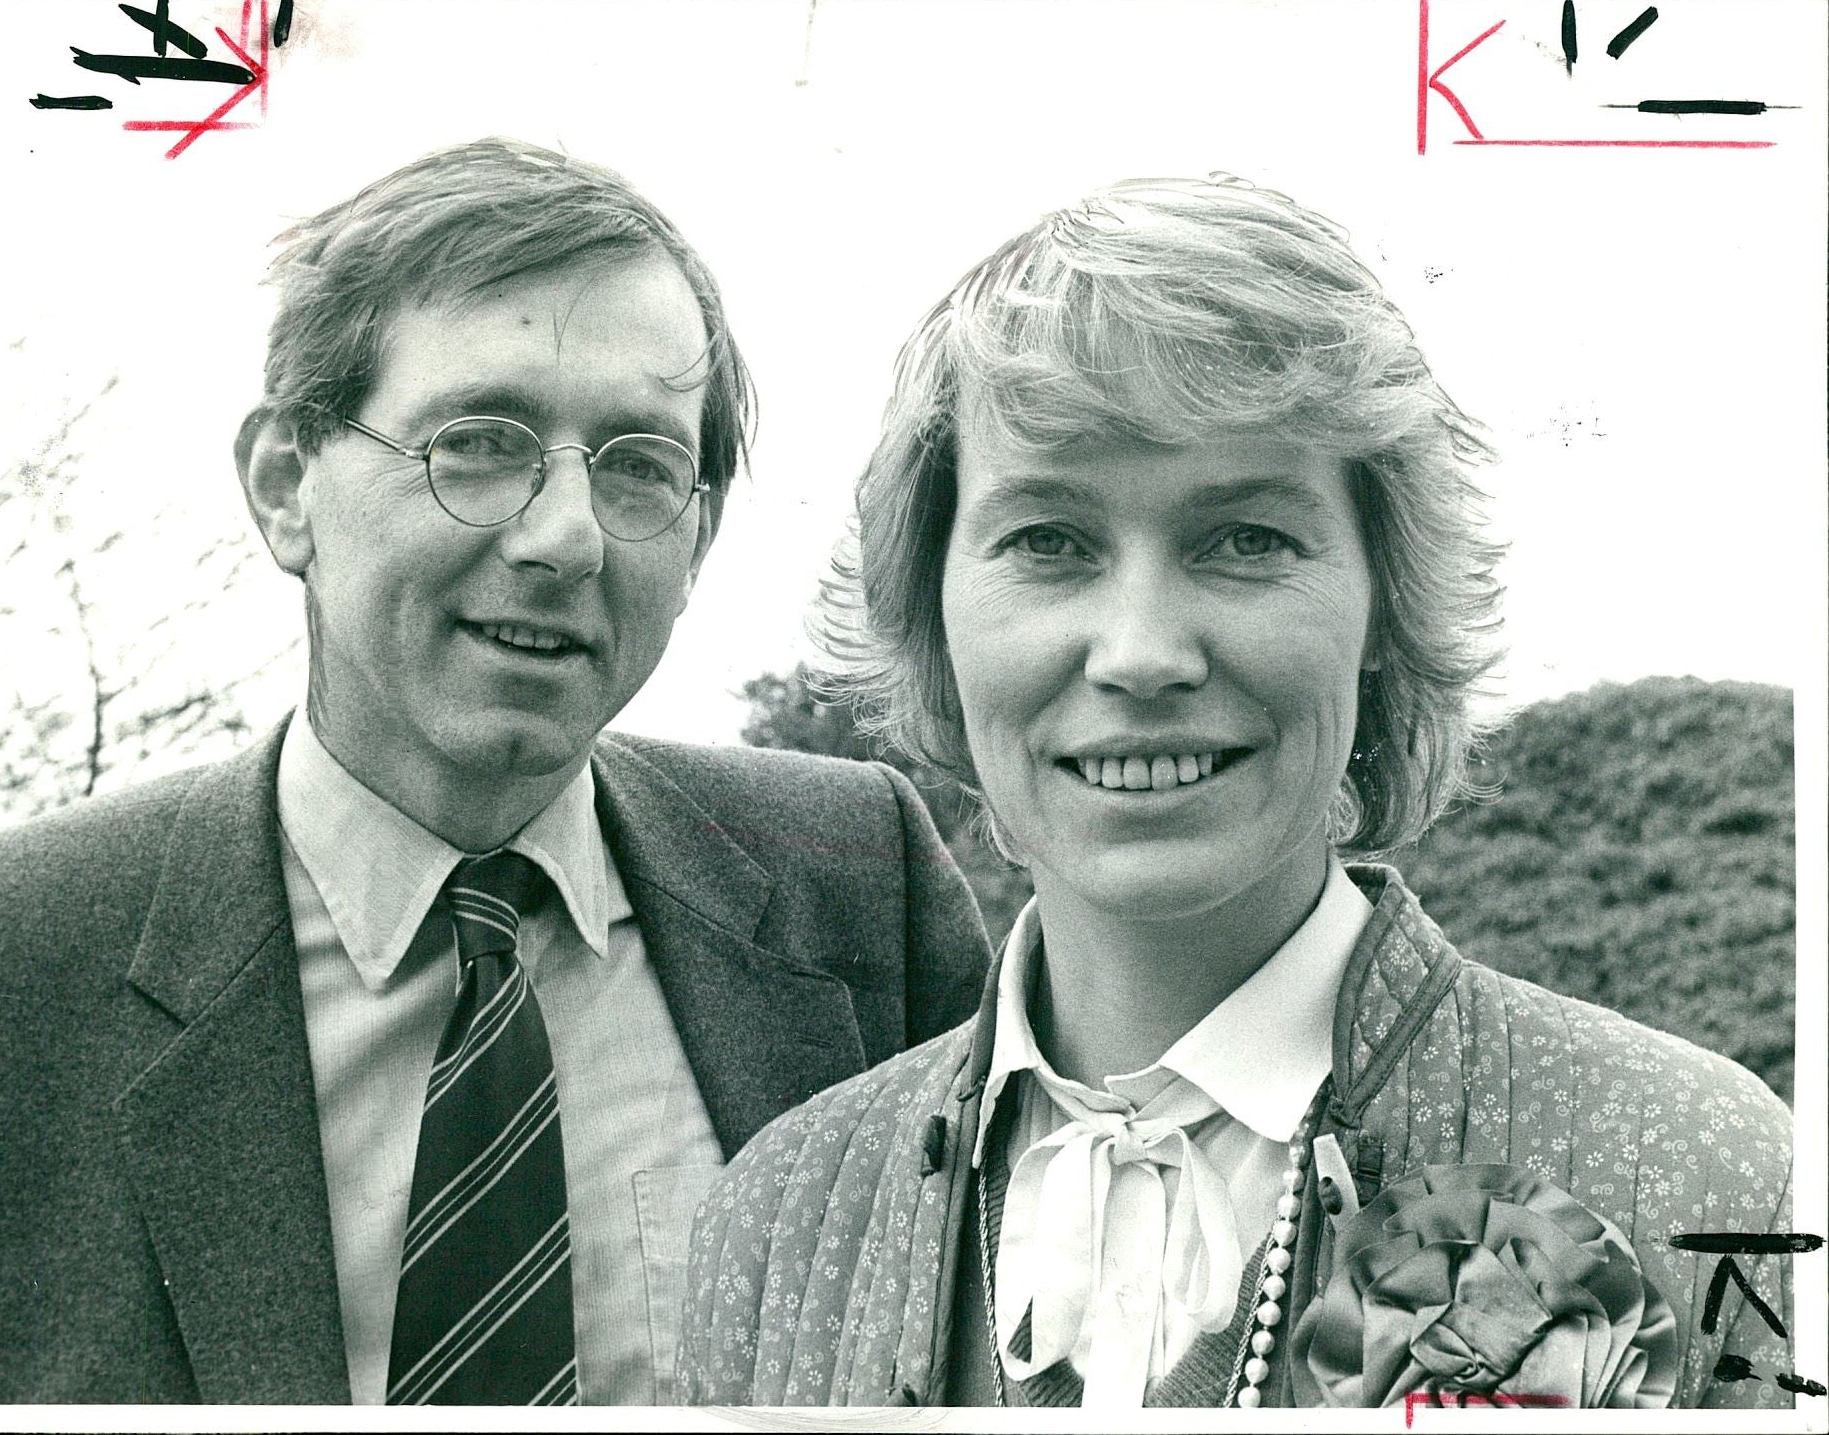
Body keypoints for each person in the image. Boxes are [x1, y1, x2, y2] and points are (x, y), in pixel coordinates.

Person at [0, 136, 990, 1405]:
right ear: (285, 486)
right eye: (479, 443)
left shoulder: (855, 887)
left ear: (700, 534)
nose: (565, 538)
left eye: (639, 466)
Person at [677, 178, 1795, 1410]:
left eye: (1247, 538)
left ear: (1382, 609)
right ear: (931, 616)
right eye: (1047, 540)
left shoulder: (1710, 1175)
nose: (1140, 652)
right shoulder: (771, 1229)